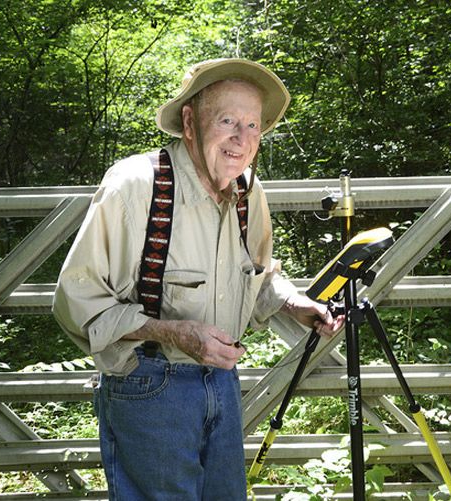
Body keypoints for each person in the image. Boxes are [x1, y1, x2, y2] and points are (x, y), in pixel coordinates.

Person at [53, 58, 343, 500]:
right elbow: (77, 301)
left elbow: (259, 275)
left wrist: (294, 301)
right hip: (148, 386)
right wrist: (173, 332)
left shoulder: (248, 189)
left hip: (222, 384)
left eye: (252, 125)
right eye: (227, 120)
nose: (241, 139)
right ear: (189, 121)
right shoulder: (135, 185)